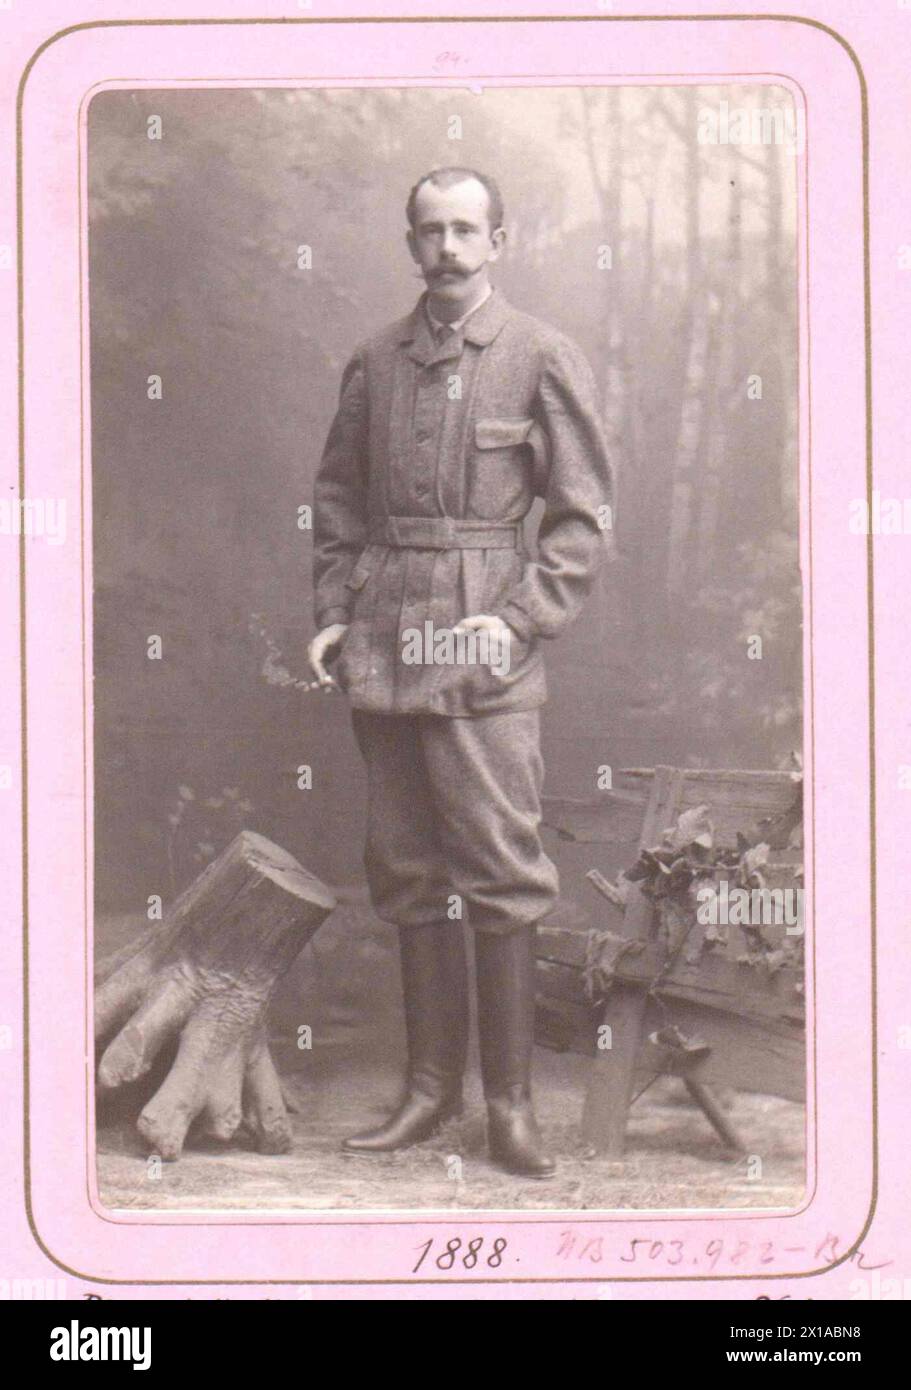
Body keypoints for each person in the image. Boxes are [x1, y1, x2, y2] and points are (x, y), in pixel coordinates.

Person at [309, 166, 613, 1178]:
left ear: (497, 241)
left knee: (500, 873)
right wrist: (330, 617)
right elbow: (339, 504)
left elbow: (578, 522)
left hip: (483, 649)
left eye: (464, 229)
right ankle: (428, 1094)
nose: (445, 245)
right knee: (404, 870)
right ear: (410, 242)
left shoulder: (536, 356)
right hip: (383, 647)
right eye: (429, 229)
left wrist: (515, 623)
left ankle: (508, 1108)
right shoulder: (373, 361)